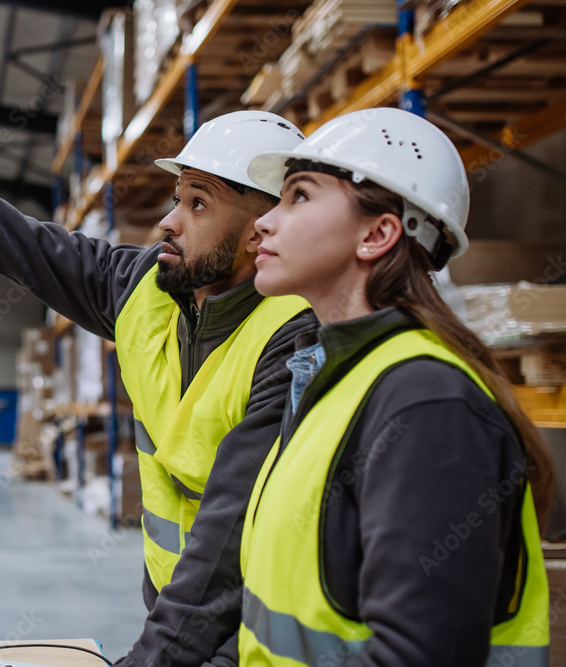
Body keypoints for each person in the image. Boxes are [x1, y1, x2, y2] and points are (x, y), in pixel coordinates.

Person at [0, 54, 318, 665]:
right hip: (171, 614)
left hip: (246, 634)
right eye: (177, 198)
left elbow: (225, 543)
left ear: (262, 230)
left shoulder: (294, 341)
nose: (168, 220)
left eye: (198, 204)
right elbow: (20, 241)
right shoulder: (146, 291)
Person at [236, 106, 552, 665]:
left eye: (299, 196)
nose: (264, 220)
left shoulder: (428, 407)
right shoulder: (336, 379)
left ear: (377, 233)